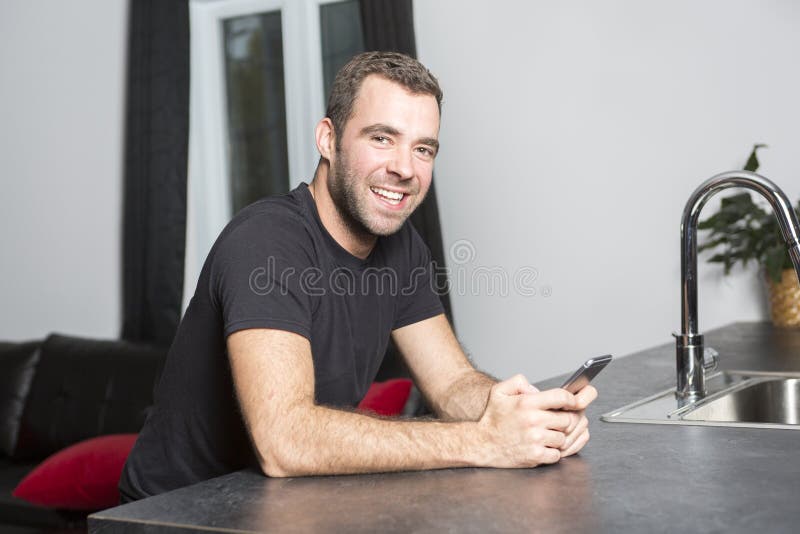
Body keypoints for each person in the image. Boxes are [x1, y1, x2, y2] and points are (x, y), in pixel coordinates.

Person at [119, 51, 597, 502]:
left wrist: (523, 415)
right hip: (173, 514)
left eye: (423, 149)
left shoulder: (401, 245)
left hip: (283, 505)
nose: (404, 168)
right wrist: (483, 441)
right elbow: (285, 441)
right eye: (382, 138)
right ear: (328, 139)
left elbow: (451, 383)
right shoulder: (265, 242)